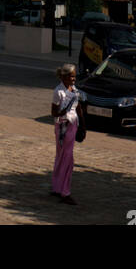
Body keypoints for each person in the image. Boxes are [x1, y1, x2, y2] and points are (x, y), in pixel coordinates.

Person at [51, 63, 83, 204]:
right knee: (66, 159)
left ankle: (57, 187)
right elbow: (53, 112)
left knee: (63, 157)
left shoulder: (74, 90)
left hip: (73, 125)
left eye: (74, 76)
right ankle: (65, 191)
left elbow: (79, 108)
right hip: (63, 127)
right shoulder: (58, 91)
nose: (73, 78)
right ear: (64, 77)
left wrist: (83, 125)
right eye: (71, 76)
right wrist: (61, 112)